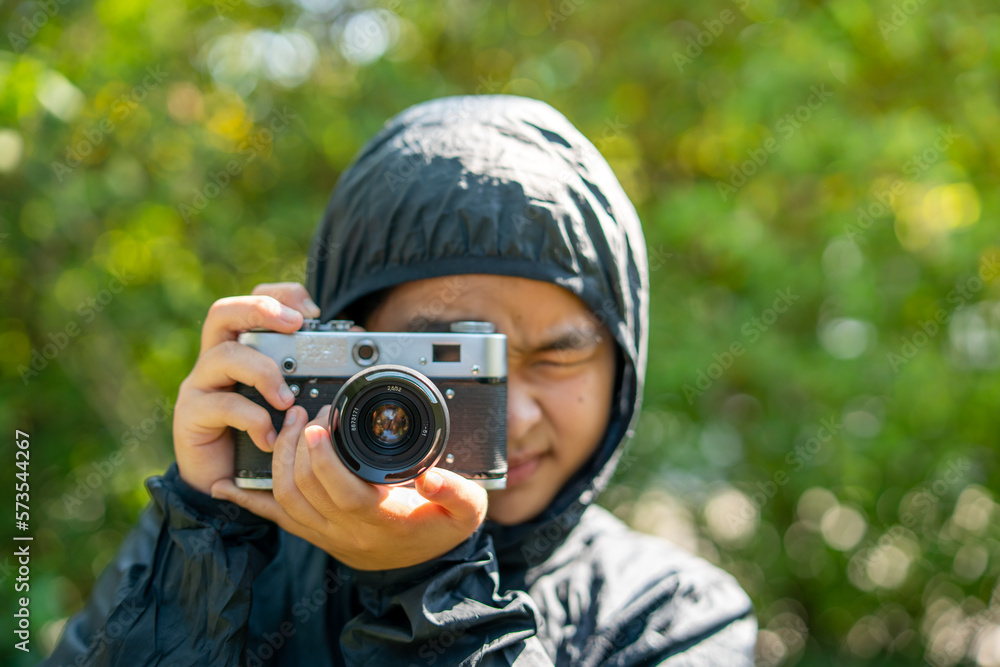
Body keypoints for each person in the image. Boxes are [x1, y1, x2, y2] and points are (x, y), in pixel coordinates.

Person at [42, 95, 757, 665]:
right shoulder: (225, 548)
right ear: (341, 344)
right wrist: (202, 536)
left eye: (557, 356)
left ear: (622, 363)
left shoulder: (674, 612)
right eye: (443, 364)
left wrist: (434, 595)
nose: (512, 419)